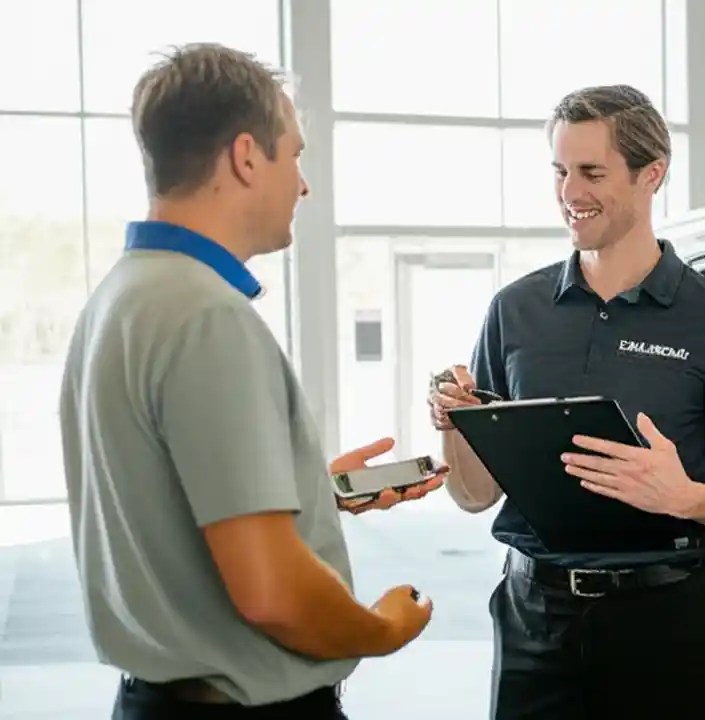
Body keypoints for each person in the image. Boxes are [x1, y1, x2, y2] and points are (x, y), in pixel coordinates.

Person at [58, 43, 440, 719]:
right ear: (244, 157)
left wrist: (307, 492)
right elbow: (271, 594)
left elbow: (162, 501)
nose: (302, 184)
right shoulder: (208, 316)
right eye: (294, 155)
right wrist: (381, 630)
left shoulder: (119, 297)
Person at [430, 84, 705, 720]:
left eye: (592, 172)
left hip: (667, 626)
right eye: (561, 171)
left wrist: (688, 498)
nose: (571, 193)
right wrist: (456, 427)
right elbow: (474, 496)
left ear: (652, 174)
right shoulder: (515, 311)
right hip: (533, 617)